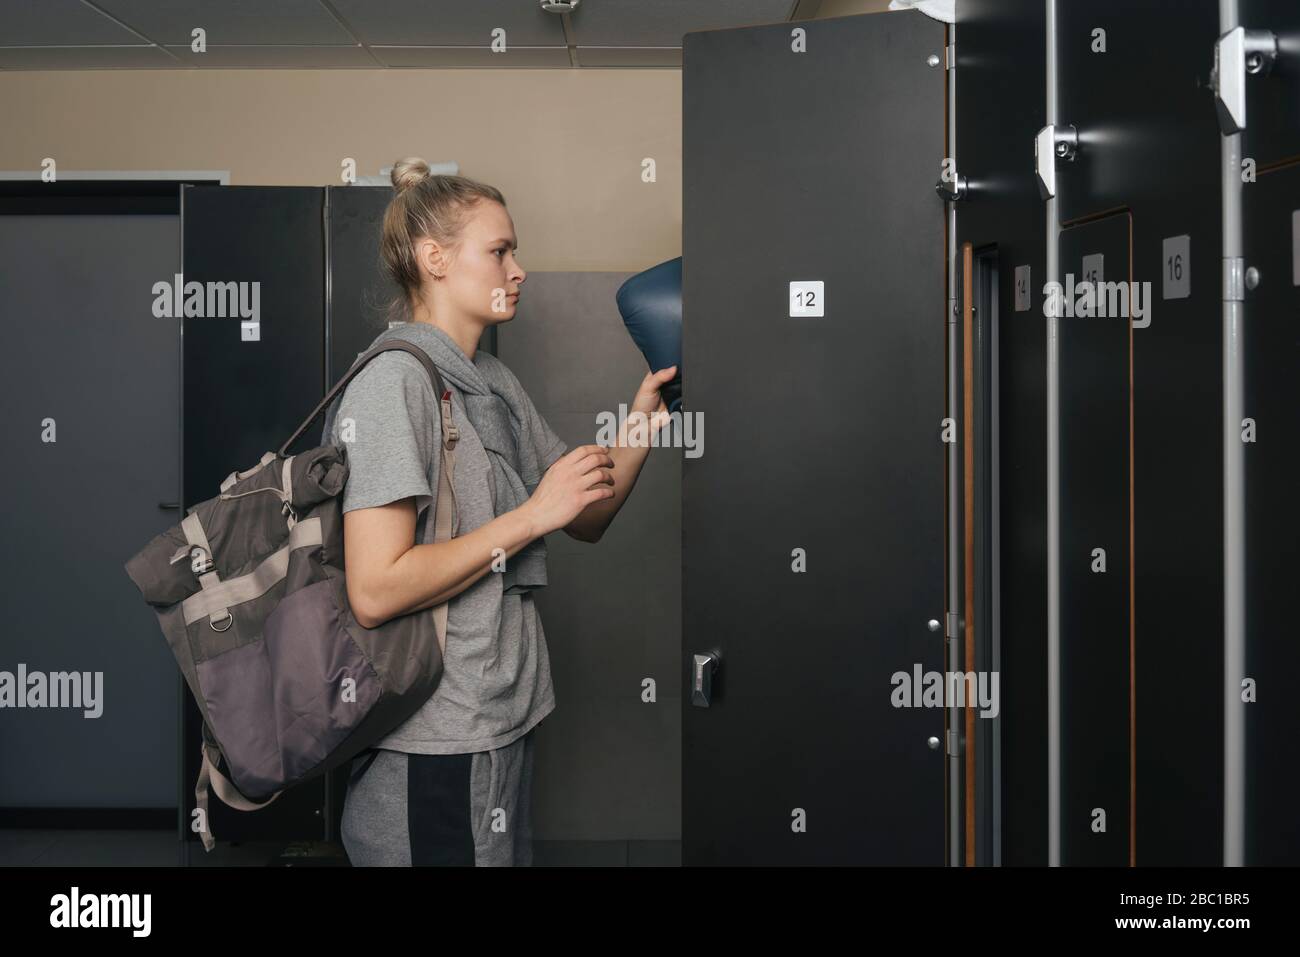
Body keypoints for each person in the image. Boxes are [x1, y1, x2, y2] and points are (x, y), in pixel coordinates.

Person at [320, 157, 677, 865]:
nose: (518, 269)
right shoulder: (394, 385)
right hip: (433, 743)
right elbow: (375, 586)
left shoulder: (491, 380)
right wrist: (533, 515)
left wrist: (639, 422)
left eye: (515, 251)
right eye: (500, 250)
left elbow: (585, 517)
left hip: (501, 718)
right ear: (435, 259)